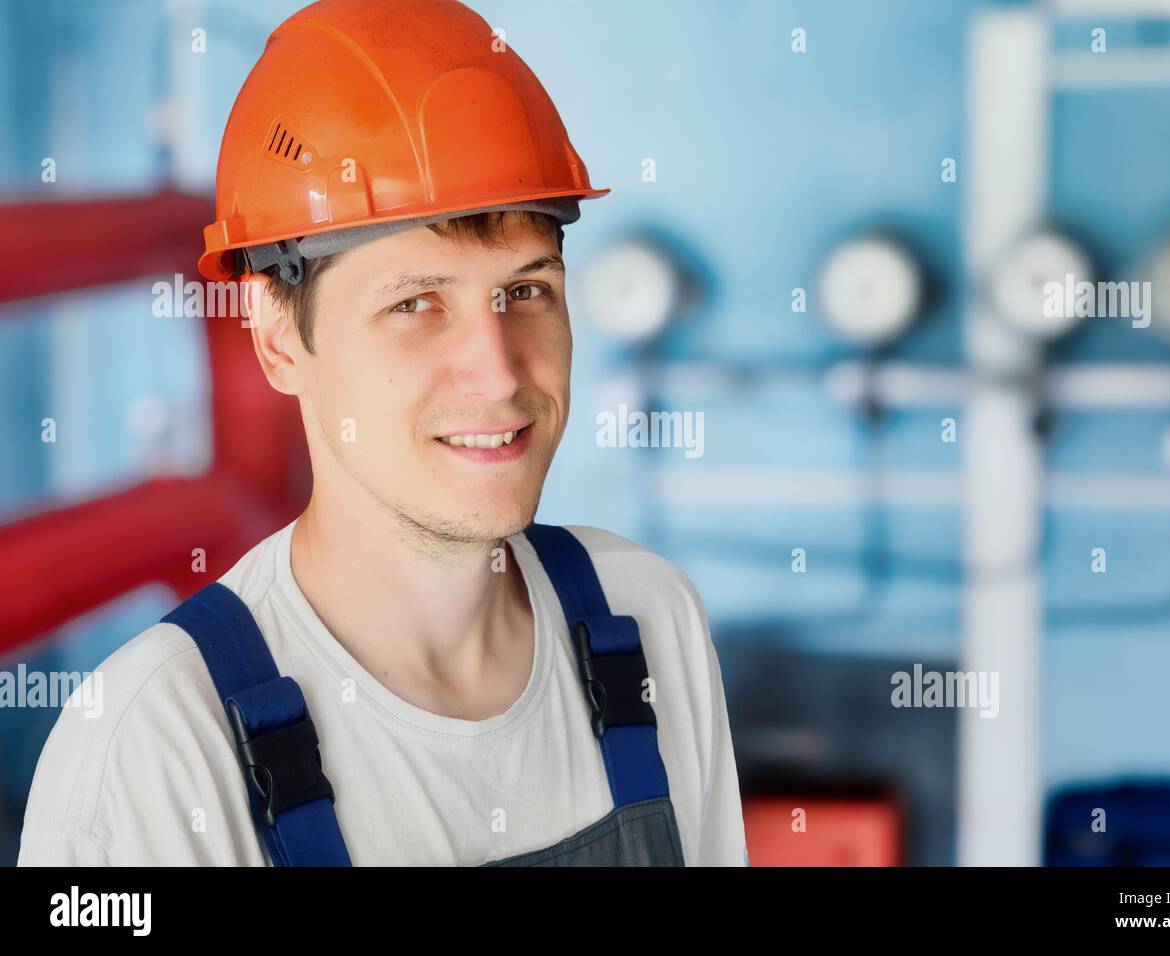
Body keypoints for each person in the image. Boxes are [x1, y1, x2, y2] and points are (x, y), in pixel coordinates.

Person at [18, 0, 747, 867]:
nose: (500, 372)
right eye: (416, 304)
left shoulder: (649, 618)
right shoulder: (155, 750)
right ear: (280, 334)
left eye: (526, 291)